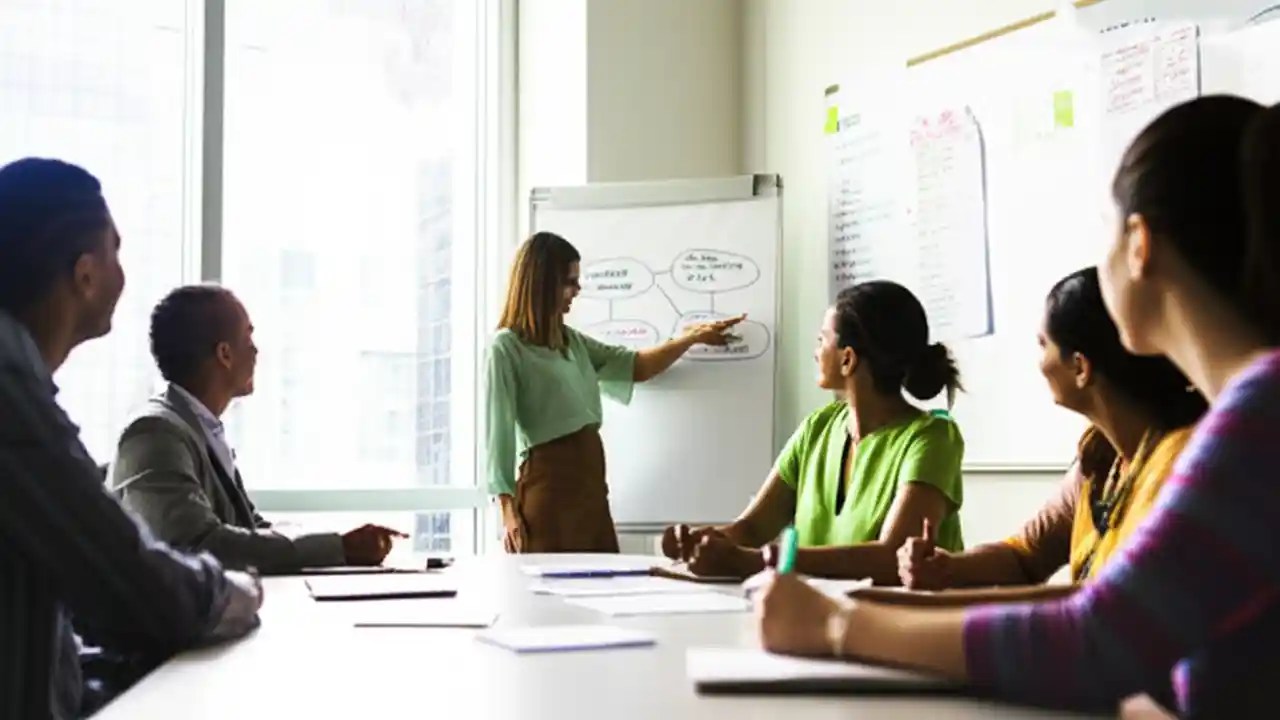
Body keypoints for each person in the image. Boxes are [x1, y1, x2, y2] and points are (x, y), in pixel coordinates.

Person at [751, 96, 1280, 717]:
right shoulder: (1246, 413)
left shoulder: (1258, 418)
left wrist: (837, 629)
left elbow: (1096, 638)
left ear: (1139, 244)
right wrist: (863, 608)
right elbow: (1100, 609)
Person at [0, 157, 261, 720]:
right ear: (85, 273)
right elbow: (122, 576)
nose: (124, 274)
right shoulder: (8, 383)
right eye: (116, 252)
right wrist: (237, 591)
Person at [888, 267, 1205, 603]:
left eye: (1043, 345)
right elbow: (1025, 557)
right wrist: (947, 567)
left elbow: (1119, 606)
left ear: (1081, 368)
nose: (1039, 363)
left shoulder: (1179, 462)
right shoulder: (1100, 459)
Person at [662, 279, 965, 581]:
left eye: (822, 340)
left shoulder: (932, 439)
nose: (816, 351)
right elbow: (753, 528)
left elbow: (892, 557)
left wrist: (757, 561)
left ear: (848, 359)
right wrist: (707, 541)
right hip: (816, 615)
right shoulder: (817, 428)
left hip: (898, 622)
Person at [110, 285, 407, 574]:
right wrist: (338, 548)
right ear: (224, 354)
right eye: (248, 337)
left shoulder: (195, 426)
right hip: (174, 624)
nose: (255, 351)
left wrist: (340, 543)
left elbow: (250, 530)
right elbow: (199, 544)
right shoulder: (155, 433)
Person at [486, 231, 744, 553]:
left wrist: (690, 338)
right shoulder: (507, 347)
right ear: (541, 283)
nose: (577, 291)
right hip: (547, 490)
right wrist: (508, 513)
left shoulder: (571, 341)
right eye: (569, 282)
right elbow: (498, 437)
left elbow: (636, 366)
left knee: (603, 586)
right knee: (550, 592)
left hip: (591, 488)